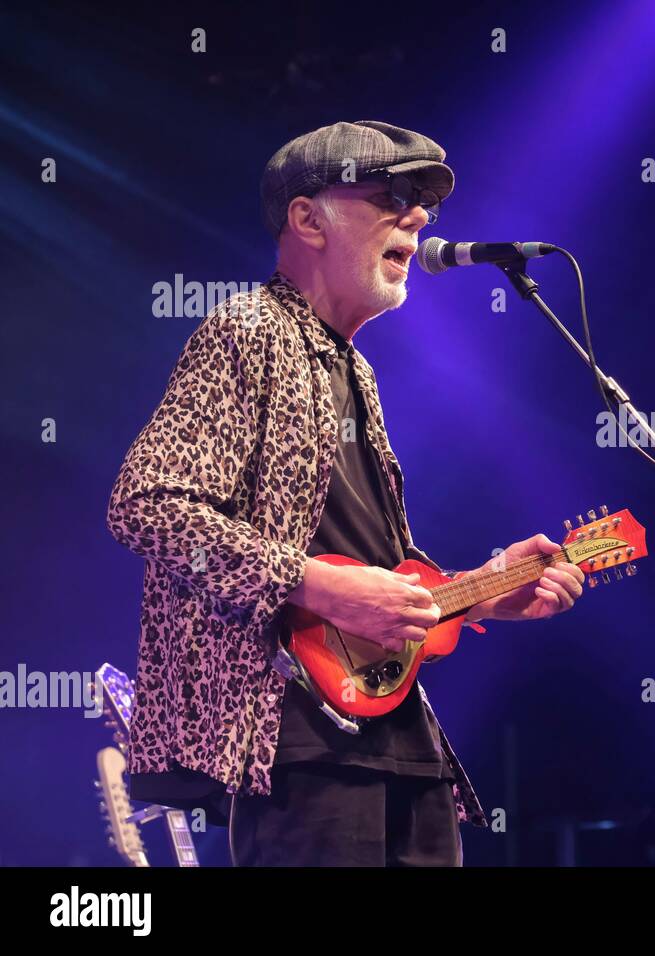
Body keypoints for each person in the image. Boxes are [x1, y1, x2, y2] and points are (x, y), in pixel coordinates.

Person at [107, 121, 585, 866]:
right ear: (307, 218)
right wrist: (312, 584)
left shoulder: (354, 370)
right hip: (294, 736)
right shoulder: (248, 330)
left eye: (424, 204)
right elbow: (147, 507)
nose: (420, 218)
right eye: (394, 196)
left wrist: (483, 591)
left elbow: (369, 572)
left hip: (393, 729)